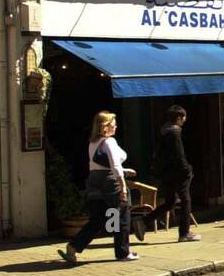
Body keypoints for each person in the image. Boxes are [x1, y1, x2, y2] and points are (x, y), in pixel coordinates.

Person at [59, 111, 137, 263]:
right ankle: (122, 252)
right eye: (113, 125)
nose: (116, 127)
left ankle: (73, 247)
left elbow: (97, 164)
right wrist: (122, 188)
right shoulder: (109, 142)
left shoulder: (93, 142)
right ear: (105, 127)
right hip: (110, 184)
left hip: (95, 182)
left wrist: (124, 170)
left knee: (100, 218)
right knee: (122, 216)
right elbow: (114, 165)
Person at [144, 105, 201, 242]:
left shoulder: (163, 131)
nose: (185, 120)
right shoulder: (175, 133)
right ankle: (184, 233)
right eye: (184, 117)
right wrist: (188, 169)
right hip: (178, 173)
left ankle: (143, 221)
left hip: (166, 173)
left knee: (170, 202)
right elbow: (179, 155)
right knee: (186, 200)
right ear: (179, 118)